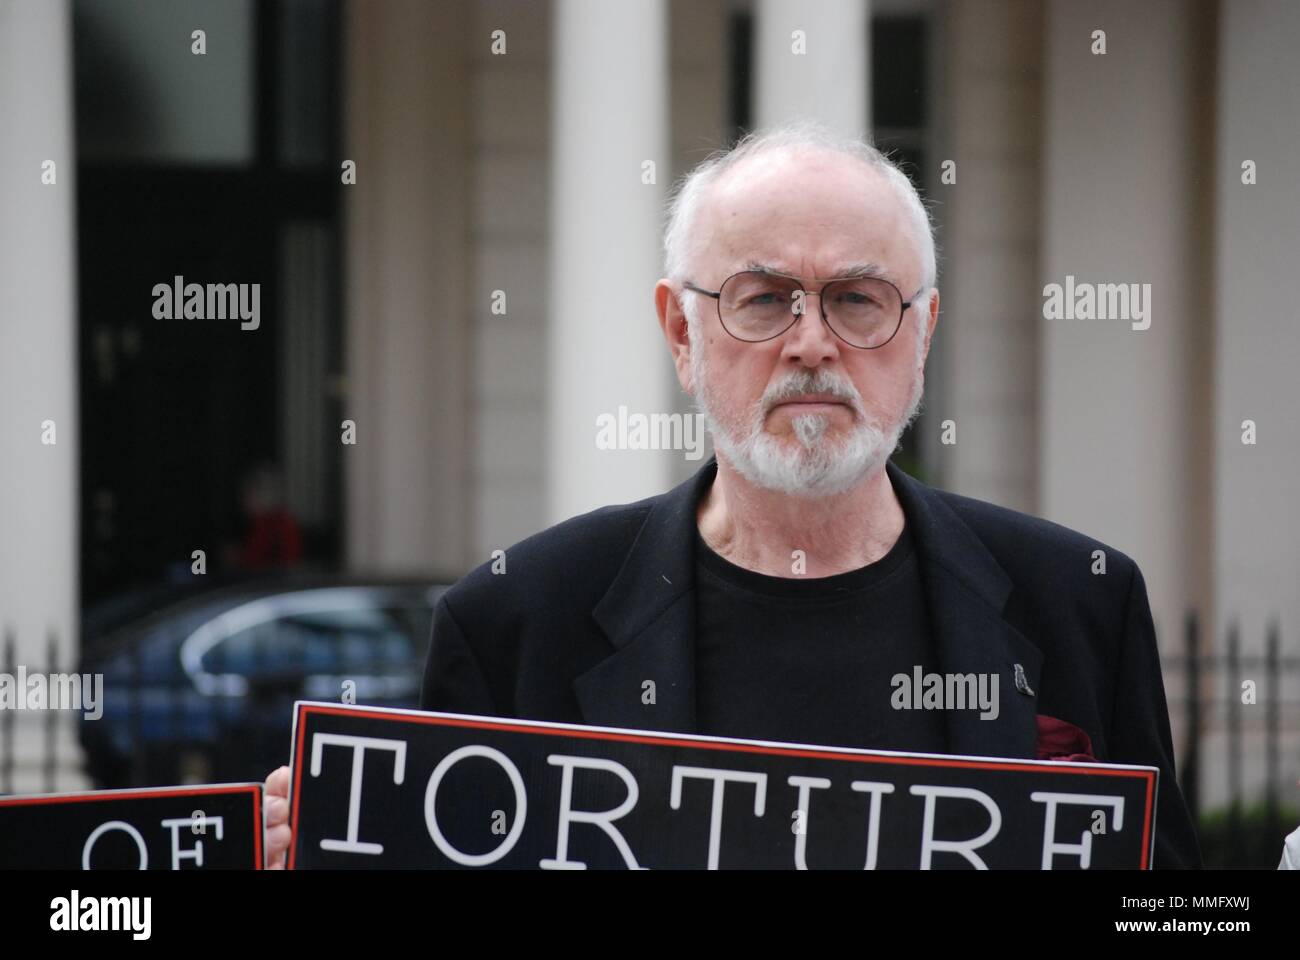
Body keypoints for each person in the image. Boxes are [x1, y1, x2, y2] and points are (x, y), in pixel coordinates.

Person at [263, 121, 1201, 869]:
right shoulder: (515, 623)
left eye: (859, 299)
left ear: (923, 334)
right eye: (762, 299)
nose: (811, 343)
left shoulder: (1081, 601)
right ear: (680, 330)